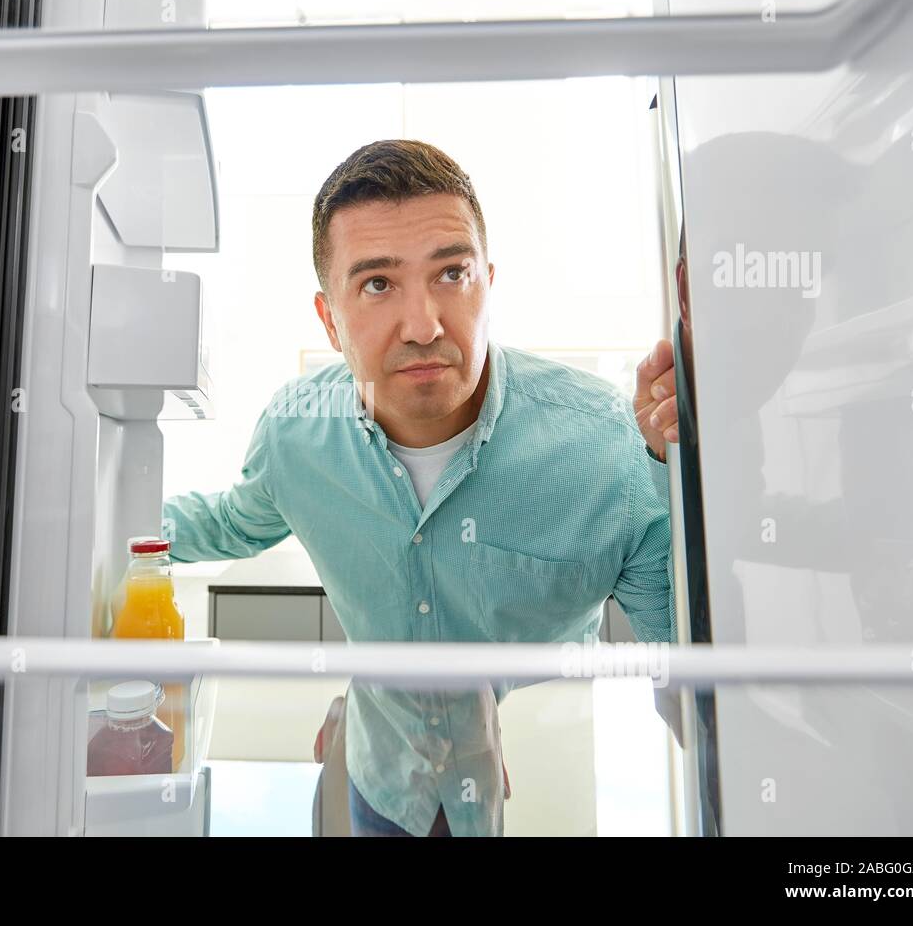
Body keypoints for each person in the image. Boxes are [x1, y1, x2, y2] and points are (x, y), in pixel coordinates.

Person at [163, 139, 678, 836]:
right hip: (376, 764)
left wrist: (687, 473)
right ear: (329, 318)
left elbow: (701, 684)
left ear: (487, 282)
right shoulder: (296, 434)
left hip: (498, 734)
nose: (425, 325)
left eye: (452, 274)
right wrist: (97, 528)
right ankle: (366, 703)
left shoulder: (610, 450)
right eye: (377, 284)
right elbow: (230, 522)